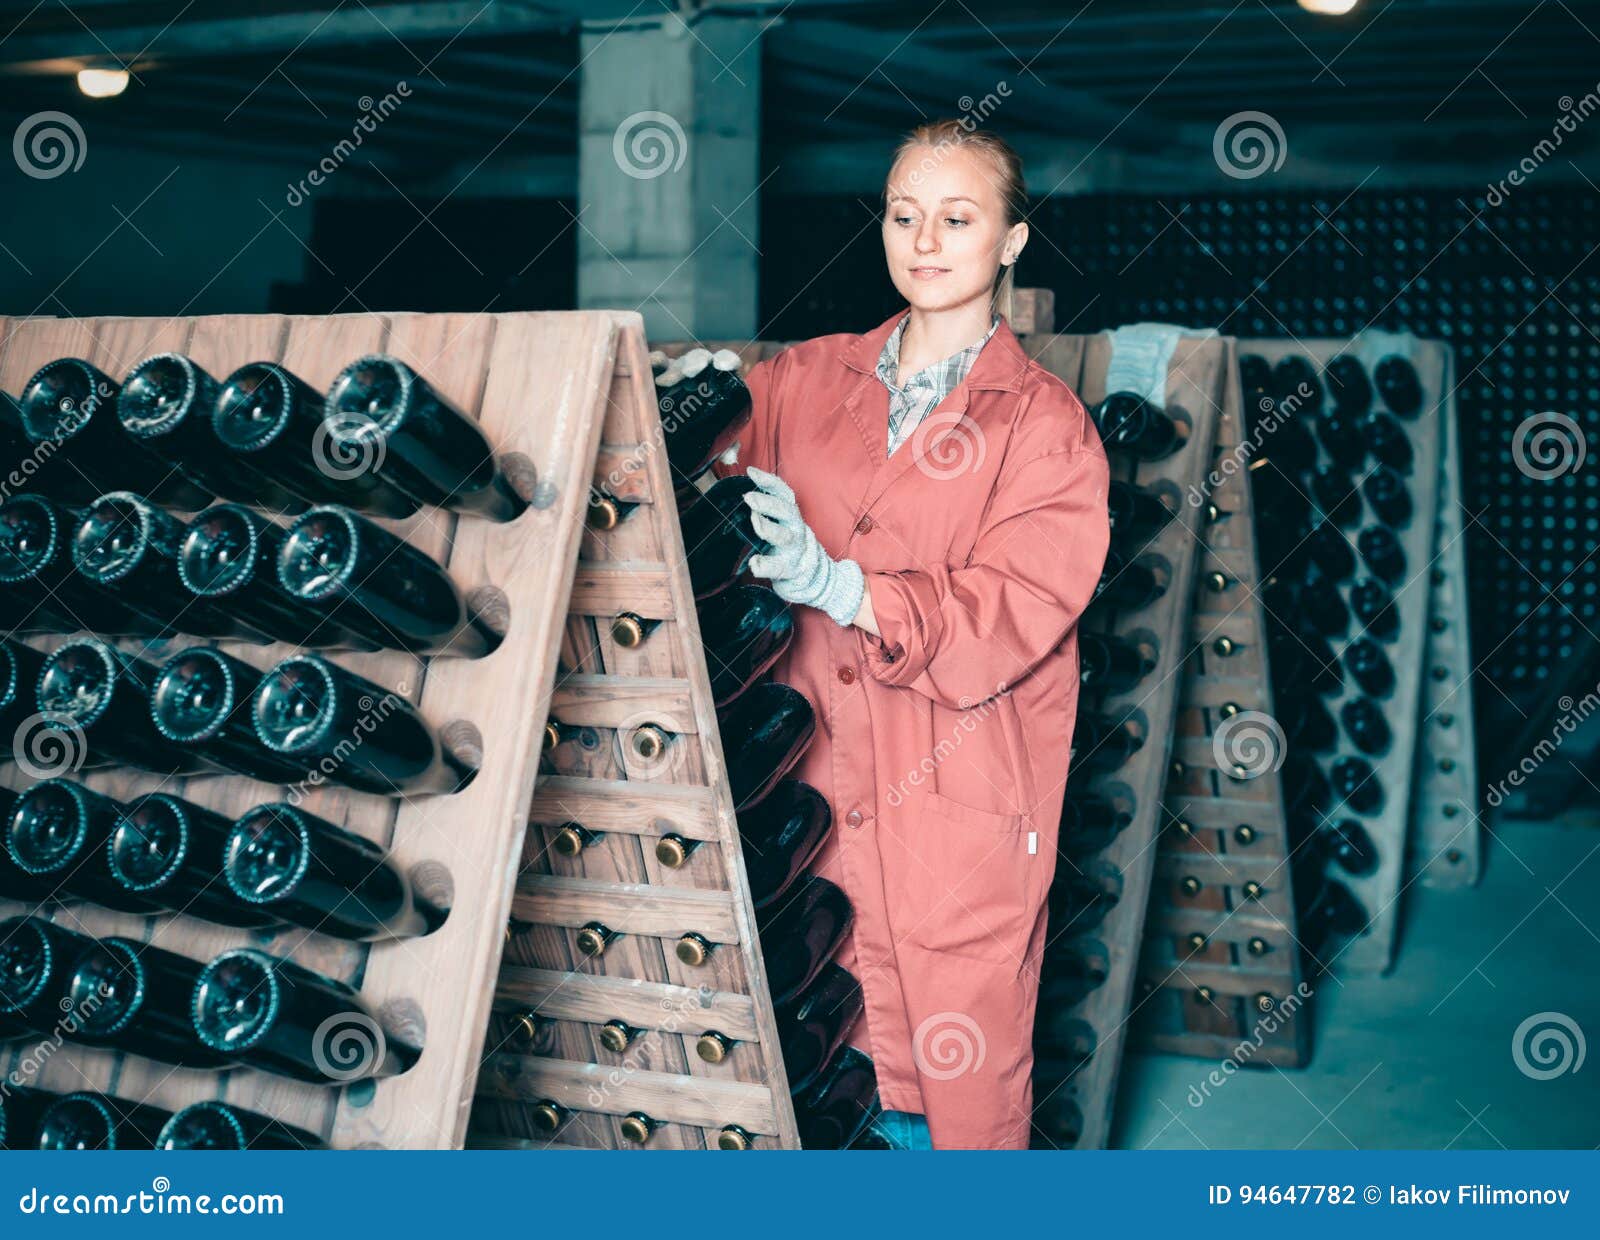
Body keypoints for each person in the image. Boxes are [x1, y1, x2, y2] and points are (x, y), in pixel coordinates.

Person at [709, 119, 1110, 1149]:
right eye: (902, 214)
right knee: (820, 1071)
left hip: (953, 804)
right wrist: (681, 408)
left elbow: (1011, 606)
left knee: (951, 1104)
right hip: (807, 787)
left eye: (957, 216)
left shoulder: (1044, 425)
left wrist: (844, 587)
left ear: (1012, 240)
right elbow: (684, 485)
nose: (924, 238)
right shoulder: (802, 378)